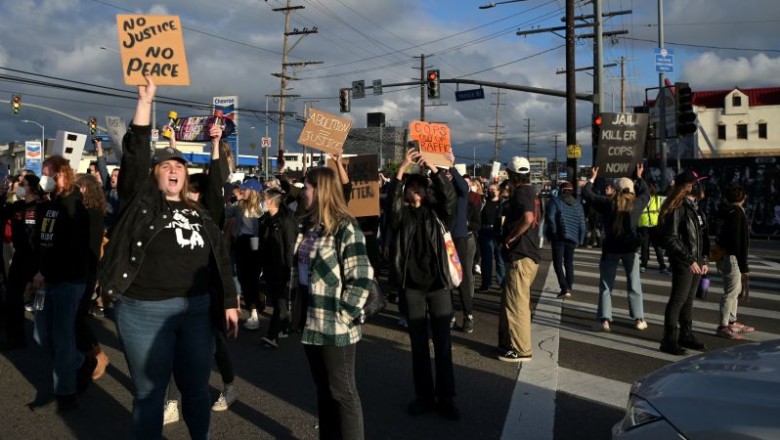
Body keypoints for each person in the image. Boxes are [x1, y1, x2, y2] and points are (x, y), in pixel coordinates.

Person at [98, 76, 239, 439]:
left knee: (195, 390)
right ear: (153, 177)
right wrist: (144, 103)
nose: (174, 169)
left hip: (196, 310)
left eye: (179, 166)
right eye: (165, 166)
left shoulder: (202, 213)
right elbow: (134, 158)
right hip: (144, 309)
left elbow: (220, 257)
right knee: (149, 393)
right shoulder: (139, 206)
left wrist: (229, 301)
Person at [293, 166, 373, 439]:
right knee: (323, 390)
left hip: (336, 325)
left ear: (321, 190)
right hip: (310, 320)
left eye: (307, 186)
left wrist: (345, 313)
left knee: (343, 392)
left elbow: (361, 275)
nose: (303, 191)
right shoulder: (308, 225)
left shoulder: (345, 227)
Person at [387, 148, 459, 420]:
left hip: (438, 285)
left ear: (427, 192)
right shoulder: (400, 216)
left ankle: (447, 398)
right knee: (419, 347)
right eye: (411, 187)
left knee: (442, 344)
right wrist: (402, 169)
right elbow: (390, 206)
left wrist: (435, 171)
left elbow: (450, 199)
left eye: (420, 187)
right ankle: (423, 397)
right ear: (406, 192)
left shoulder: (438, 214)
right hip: (412, 288)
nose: (415, 190)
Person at [30, 155, 93, 413]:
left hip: (68, 281)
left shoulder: (74, 205)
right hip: (44, 280)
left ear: (62, 175)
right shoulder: (47, 206)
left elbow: (71, 250)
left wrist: (45, 272)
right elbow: (40, 244)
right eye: (44, 173)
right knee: (41, 334)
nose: (45, 178)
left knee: (62, 337)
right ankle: (78, 361)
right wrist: (37, 271)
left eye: (50, 174)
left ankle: (65, 393)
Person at [582, 165, 649, 332]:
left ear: (615, 189)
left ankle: (604, 320)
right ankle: (639, 318)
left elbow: (587, 194)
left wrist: (592, 178)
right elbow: (646, 193)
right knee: (634, 283)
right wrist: (639, 177)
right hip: (630, 249)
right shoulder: (636, 204)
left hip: (610, 248)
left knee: (606, 285)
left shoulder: (607, 203)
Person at [657, 170, 710, 356]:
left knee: (688, 300)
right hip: (684, 262)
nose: (698, 185)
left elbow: (702, 236)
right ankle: (668, 340)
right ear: (686, 186)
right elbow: (671, 238)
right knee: (678, 299)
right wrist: (688, 260)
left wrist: (704, 259)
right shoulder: (678, 207)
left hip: (696, 262)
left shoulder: (694, 207)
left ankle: (686, 334)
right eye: (694, 183)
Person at [498, 156, 541, 362]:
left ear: (513, 175)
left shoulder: (523, 191)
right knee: (513, 300)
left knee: (517, 304)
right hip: (528, 254)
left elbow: (528, 218)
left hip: (521, 254)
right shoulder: (531, 192)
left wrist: (512, 236)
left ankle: (521, 350)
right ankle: (509, 343)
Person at [73, 173, 110, 380]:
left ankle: (97, 354)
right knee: (75, 317)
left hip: (85, 271)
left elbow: (89, 247)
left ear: (85, 189)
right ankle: (90, 354)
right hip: (81, 270)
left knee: (77, 317)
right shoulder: (87, 211)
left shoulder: (91, 213)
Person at [1, 174, 41, 350]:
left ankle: (44, 335)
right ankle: (15, 339)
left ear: (31, 187)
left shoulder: (43, 207)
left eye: (22, 183)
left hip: (39, 258)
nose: (18, 185)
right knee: (12, 296)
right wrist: (3, 194)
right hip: (20, 256)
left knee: (42, 298)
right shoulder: (17, 206)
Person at [259, 187, 297, 348]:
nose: (262, 201)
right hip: (269, 266)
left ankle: (272, 335)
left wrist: (289, 271)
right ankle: (285, 326)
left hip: (281, 267)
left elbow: (289, 247)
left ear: (272, 201)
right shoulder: (267, 219)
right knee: (277, 300)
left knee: (280, 302)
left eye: (265, 199)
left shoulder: (286, 221)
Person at [443, 153, 477, 333]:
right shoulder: (442, 189)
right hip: (445, 237)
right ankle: (449, 314)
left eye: (449, 174)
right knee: (447, 276)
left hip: (459, 237)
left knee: (461, 277)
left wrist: (451, 166)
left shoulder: (461, 191)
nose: (447, 175)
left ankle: (468, 315)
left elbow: (464, 187)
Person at [715, 184, 754, 339]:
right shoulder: (737, 213)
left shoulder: (723, 212)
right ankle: (723, 326)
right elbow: (739, 242)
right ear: (743, 198)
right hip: (733, 257)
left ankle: (732, 321)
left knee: (734, 291)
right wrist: (744, 266)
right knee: (731, 293)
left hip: (723, 256)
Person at [227, 178, 264, 330]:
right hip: (241, 242)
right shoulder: (239, 206)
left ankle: (254, 312)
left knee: (252, 279)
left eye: (245, 189)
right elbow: (226, 211)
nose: (243, 191)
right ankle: (254, 307)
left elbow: (258, 231)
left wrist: (256, 250)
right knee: (242, 277)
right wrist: (234, 199)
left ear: (253, 191)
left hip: (254, 244)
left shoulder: (262, 208)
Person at [545, 180, 586, 299]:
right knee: (569, 263)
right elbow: (582, 225)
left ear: (561, 190)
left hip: (558, 238)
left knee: (558, 263)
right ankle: (569, 286)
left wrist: (553, 232)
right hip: (573, 238)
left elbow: (550, 218)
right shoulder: (578, 205)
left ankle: (564, 288)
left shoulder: (555, 201)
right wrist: (581, 239)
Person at [478, 182, 506, 292]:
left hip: (498, 232)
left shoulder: (503, 203)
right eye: (489, 189)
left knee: (500, 259)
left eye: (493, 189)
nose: (490, 191)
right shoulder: (484, 202)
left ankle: (502, 283)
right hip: (485, 230)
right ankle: (485, 284)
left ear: (498, 191)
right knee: (486, 259)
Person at [638, 181, 669, 275]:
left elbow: (669, 198)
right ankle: (643, 264)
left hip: (655, 226)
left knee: (657, 247)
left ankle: (662, 266)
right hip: (643, 226)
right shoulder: (639, 199)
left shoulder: (657, 199)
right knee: (644, 247)